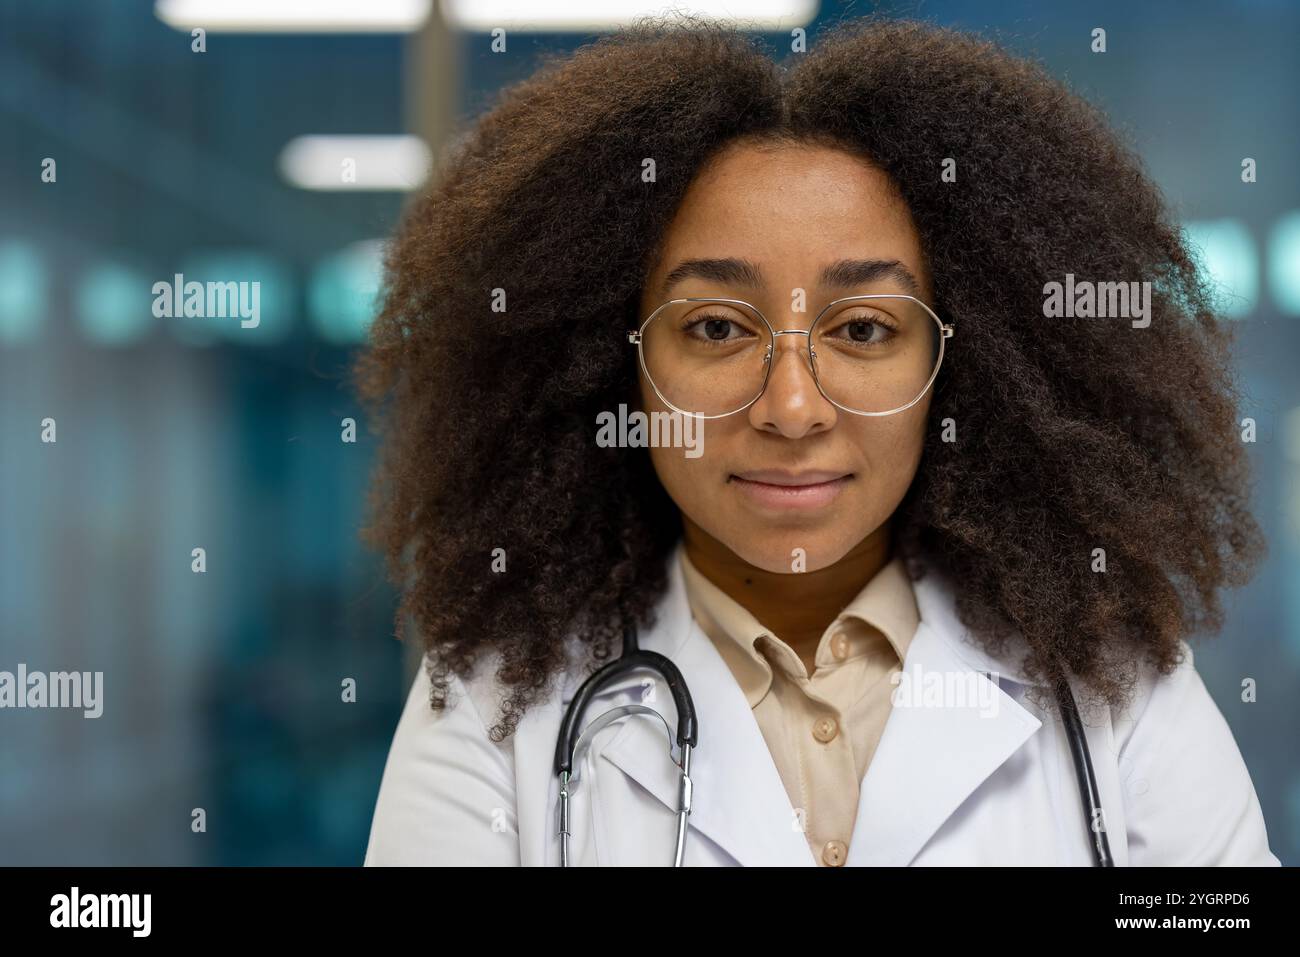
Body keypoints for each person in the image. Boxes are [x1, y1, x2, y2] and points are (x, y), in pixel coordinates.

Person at [354, 16, 1279, 866]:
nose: (792, 409)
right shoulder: (490, 708)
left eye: (864, 329)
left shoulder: (1114, 695)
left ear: (963, 363)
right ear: (614, 359)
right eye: (717, 328)